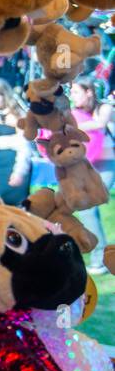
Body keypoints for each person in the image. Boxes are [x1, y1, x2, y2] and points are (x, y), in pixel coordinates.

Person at [70, 76, 115, 272]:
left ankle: (100, 259)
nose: (72, 96)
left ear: (89, 92)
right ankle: (101, 257)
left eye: (76, 92)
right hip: (86, 165)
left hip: (106, 165)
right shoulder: (77, 113)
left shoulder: (104, 108)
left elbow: (99, 124)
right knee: (84, 209)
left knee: (87, 208)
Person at [0, 78, 32, 205]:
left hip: (13, 167)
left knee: (12, 207)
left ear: (4, 96)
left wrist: (19, 172)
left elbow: (24, 146)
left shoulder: (18, 116)